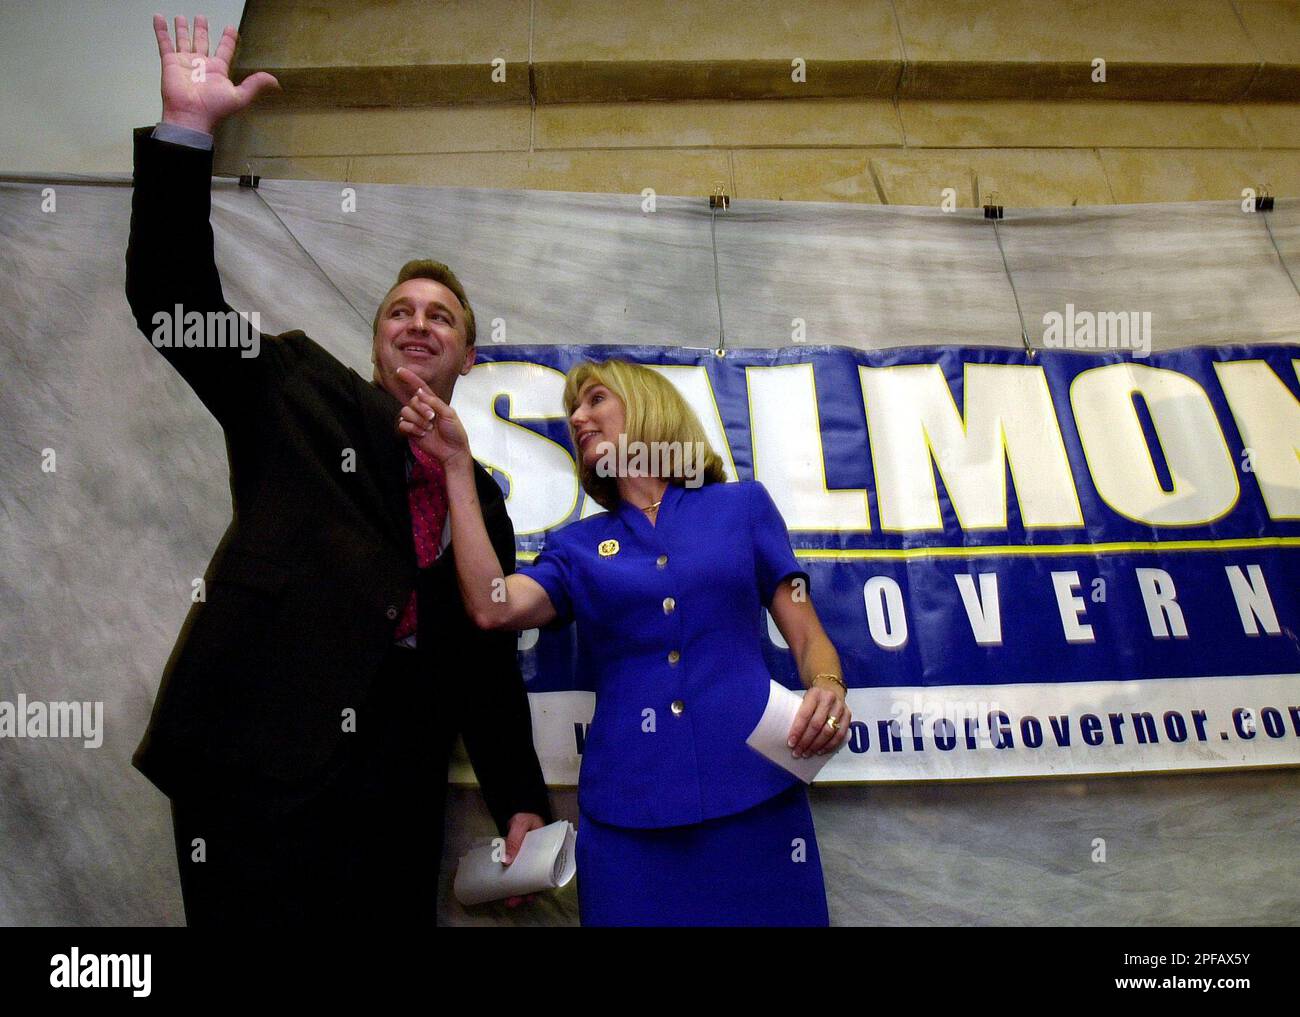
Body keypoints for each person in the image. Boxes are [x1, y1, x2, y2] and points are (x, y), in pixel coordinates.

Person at [125, 14, 550, 925]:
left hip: (394, 788)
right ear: (376, 337)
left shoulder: (482, 501)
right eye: (401, 310)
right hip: (253, 761)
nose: (419, 323)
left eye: (442, 316)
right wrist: (185, 132)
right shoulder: (294, 387)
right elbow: (170, 298)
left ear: (469, 358)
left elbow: (486, 663)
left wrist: (520, 797)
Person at [397, 358, 852, 926]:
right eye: (572, 410)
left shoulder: (743, 508)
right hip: (626, 821)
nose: (578, 418)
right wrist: (458, 469)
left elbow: (809, 636)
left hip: (757, 804)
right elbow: (492, 607)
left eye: (594, 400)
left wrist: (828, 686)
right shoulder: (578, 546)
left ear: (646, 406)